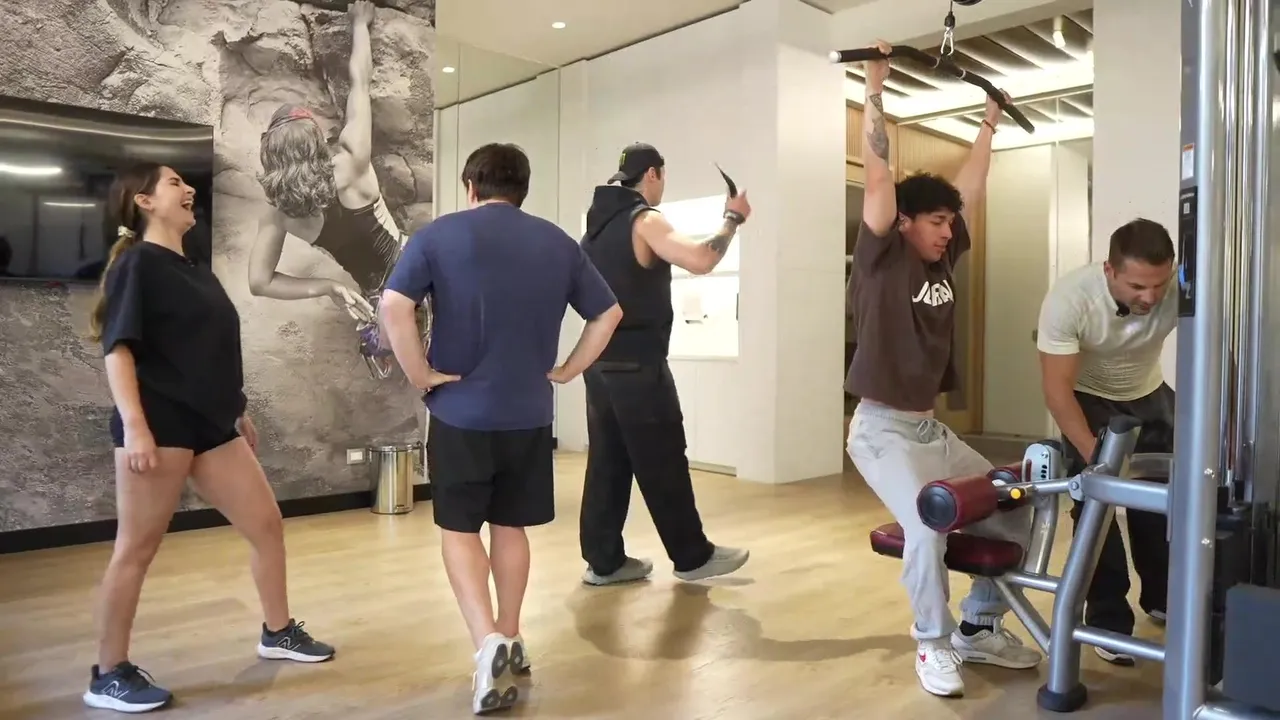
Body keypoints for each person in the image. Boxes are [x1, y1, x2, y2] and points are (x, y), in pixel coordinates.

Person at [379, 143, 623, 715]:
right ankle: (510, 635)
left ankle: (486, 641)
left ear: (471, 186)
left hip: (459, 412)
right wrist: (569, 369)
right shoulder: (557, 243)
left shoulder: (437, 236)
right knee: (510, 526)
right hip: (529, 414)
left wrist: (421, 374)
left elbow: (393, 306)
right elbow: (608, 313)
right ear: (522, 189)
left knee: (460, 529)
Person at [85, 163, 334, 714]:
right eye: (174, 183)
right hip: (160, 423)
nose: (188, 189)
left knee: (266, 525)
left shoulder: (194, 268)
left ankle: (278, 631)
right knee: (136, 549)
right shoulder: (138, 265)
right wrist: (135, 426)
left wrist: (236, 410)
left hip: (212, 426)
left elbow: (207, 350)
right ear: (144, 201)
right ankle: (107, 673)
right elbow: (118, 349)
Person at [844, 40, 1042, 698]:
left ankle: (979, 627)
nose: (947, 231)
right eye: (936, 221)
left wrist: (989, 119)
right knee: (928, 527)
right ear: (903, 223)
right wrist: (875, 85)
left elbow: (972, 191)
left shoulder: (941, 258)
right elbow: (878, 178)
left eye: (950, 223)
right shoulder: (882, 253)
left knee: (1013, 502)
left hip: (929, 431)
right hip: (882, 431)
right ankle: (932, 643)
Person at [576, 142, 751, 587]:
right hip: (638, 366)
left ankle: (604, 562)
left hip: (600, 364)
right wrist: (732, 218)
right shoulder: (645, 220)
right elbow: (702, 259)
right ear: (652, 174)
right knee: (664, 458)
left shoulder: (593, 231)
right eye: (662, 177)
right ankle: (692, 557)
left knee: (608, 463)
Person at [247, 0, 413, 379]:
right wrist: (360, 24)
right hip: (417, 275)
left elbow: (259, 282)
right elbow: (360, 82)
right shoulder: (352, 161)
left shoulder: (278, 213)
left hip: (381, 308)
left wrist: (327, 287)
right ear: (316, 141)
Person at [1037, 218, 1176, 665]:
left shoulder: (1181, 286)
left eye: (1158, 284)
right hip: (1087, 399)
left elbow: (1216, 346)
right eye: (1137, 286)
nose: (1150, 297)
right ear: (1109, 271)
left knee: (1161, 501)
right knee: (1096, 506)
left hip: (1149, 393)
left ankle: (1163, 597)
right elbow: (1057, 392)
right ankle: (1107, 620)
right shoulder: (1071, 299)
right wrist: (1095, 460)